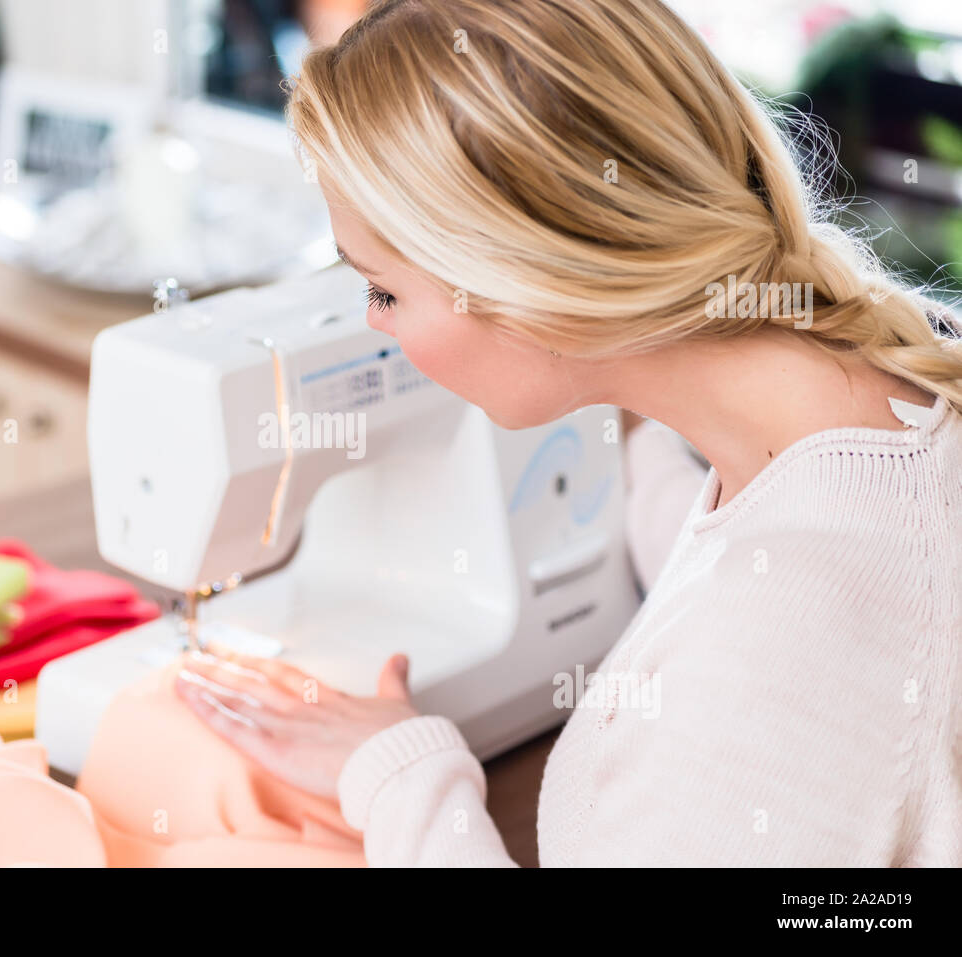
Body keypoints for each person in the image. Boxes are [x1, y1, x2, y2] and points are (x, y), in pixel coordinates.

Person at [174, 0, 962, 866]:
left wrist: (404, 775)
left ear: (528, 282)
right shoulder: (893, 396)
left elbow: (783, 653)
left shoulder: (764, 664)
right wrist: (641, 458)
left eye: (385, 291)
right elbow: (788, 566)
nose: (372, 327)